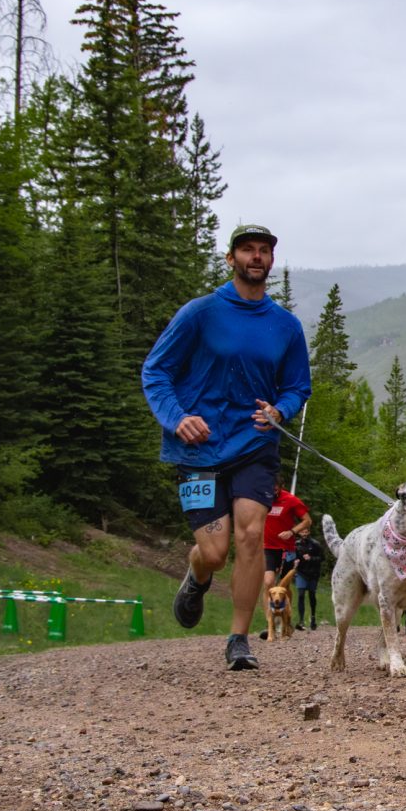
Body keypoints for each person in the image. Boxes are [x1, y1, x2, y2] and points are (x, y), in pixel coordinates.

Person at [141, 223, 311, 671]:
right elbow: (156, 371)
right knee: (214, 553)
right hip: (199, 448)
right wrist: (177, 419)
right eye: (248, 250)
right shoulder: (200, 313)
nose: (256, 257)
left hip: (255, 442)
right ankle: (196, 576)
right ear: (232, 259)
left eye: (264, 251)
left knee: (252, 535)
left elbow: (297, 386)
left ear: (271, 262)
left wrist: (280, 410)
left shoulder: (285, 326)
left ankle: (238, 639)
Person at [262, 486, 309, 592]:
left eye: (275, 487)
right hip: (268, 547)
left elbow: (307, 521)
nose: (272, 489)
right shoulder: (262, 497)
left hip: (286, 549)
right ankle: (269, 609)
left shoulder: (291, 500)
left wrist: (291, 532)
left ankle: (286, 608)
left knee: (283, 587)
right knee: (269, 582)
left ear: (280, 486)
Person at [291, 528, 325, 631]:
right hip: (301, 573)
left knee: (311, 595)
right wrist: (294, 562)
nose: (304, 534)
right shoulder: (296, 544)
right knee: (301, 595)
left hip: (313, 574)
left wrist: (311, 558)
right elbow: (293, 557)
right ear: (299, 533)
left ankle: (313, 618)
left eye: (306, 532)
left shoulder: (315, 544)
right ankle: (301, 621)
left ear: (309, 532)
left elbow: (322, 558)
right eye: (302, 532)